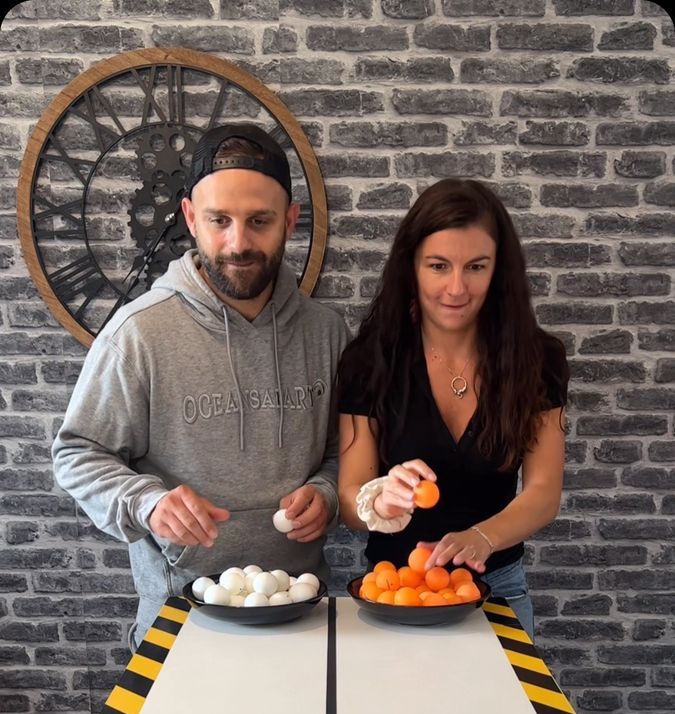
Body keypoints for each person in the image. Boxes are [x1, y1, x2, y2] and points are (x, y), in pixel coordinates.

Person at [52, 123, 348, 648]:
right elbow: (76, 453)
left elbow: (342, 452)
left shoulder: (326, 333)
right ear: (190, 217)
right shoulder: (139, 333)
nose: (239, 243)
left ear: (291, 220)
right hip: (179, 620)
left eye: (260, 221)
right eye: (219, 221)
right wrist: (147, 502)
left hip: (301, 609)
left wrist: (327, 493)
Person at [337, 178, 569, 639]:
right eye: (438, 266)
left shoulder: (538, 359)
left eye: (476, 267)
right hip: (392, 591)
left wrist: (481, 537)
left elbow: (543, 492)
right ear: (412, 267)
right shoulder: (370, 360)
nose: (457, 288)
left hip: (497, 592)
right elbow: (348, 497)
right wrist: (379, 499)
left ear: (497, 271)